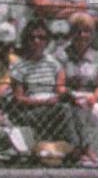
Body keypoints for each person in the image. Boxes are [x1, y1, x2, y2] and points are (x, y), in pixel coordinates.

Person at [8, 18, 83, 155]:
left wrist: (67, 94)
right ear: (26, 40)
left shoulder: (53, 63)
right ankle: (77, 149)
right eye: (33, 37)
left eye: (41, 37)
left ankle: (81, 148)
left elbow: (59, 88)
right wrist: (44, 102)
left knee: (73, 106)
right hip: (31, 110)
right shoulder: (19, 66)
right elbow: (18, 99)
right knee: (63, 108)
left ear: (47, 41)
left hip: (52, 105)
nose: (37, 41)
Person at [53, 12, 98, 163]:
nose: (82, 35)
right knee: (75, 110)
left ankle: (97, 150)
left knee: (97, 112)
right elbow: (59, 86)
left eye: (87, 31)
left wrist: (93, 97)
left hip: (89, 96)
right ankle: (79, 151)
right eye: (78, 31)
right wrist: (72, 96)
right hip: (70, 96)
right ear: (71, 33)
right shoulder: (62, 55)